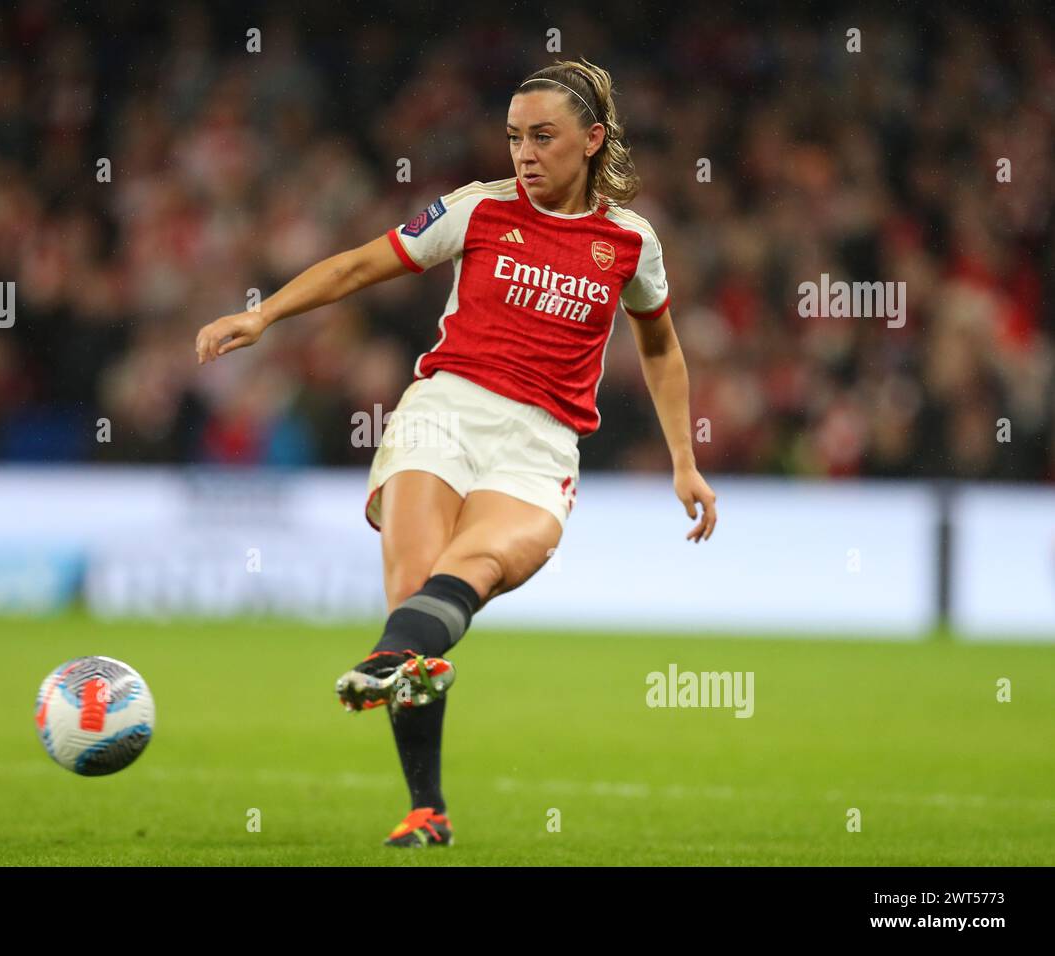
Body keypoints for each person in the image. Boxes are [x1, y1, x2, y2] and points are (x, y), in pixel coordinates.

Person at [195, 57, 718, 848]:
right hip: (443, 412)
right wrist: (264, 315)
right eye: (514, 138)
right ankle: (426, 807)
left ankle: (392, 657)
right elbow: (359, 264)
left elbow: (662, 348)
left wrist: (684, 459)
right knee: (413, 591)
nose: (524, 155)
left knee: (464, 576)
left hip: (541, 445)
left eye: (543, 137)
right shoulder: (476, 210)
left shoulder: (628, 243)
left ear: (593, 140)